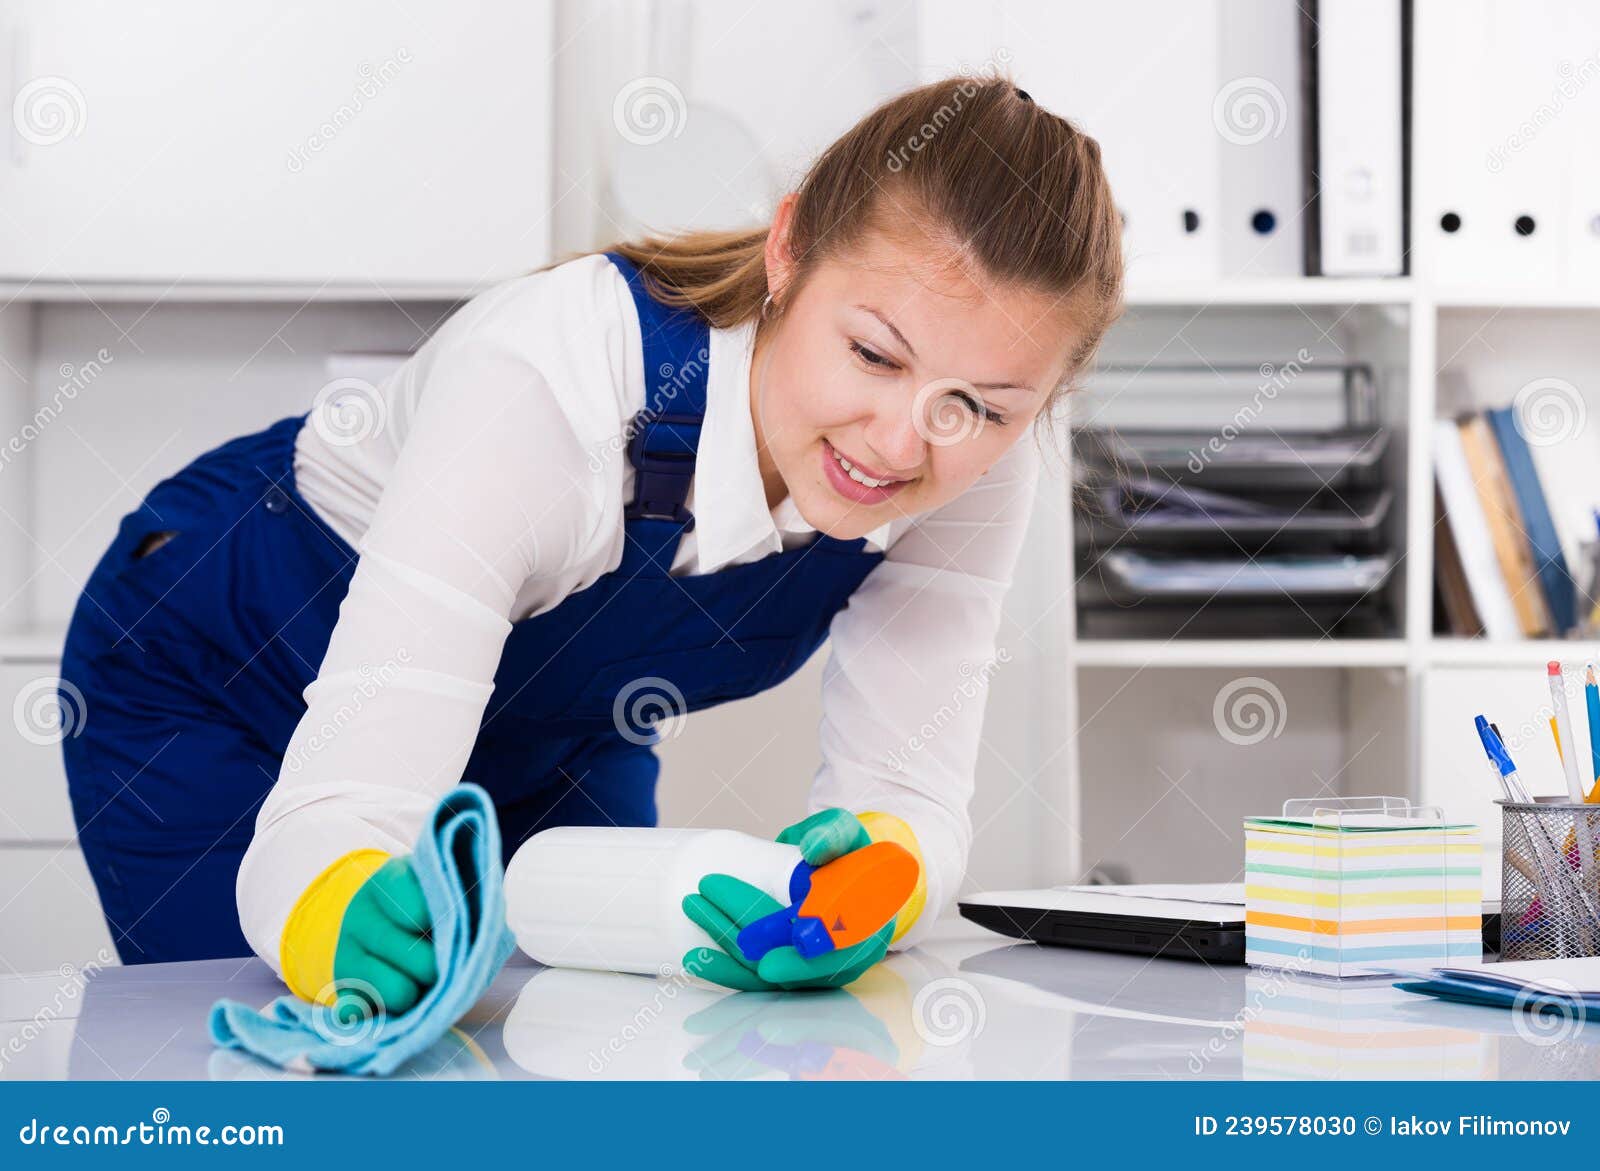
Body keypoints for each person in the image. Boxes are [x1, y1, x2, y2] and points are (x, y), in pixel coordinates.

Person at [59, 75, 1123, 1007]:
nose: (904, 441)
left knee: (598, 1039)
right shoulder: (549, 382)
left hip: (555, 729)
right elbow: (340, 809)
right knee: (316, 1056)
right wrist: (333, 896)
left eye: (981, 406)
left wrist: (881, 875)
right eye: (873, 354)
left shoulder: (974, 468)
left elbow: (908, 792)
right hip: (223, 666)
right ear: (789, 247)